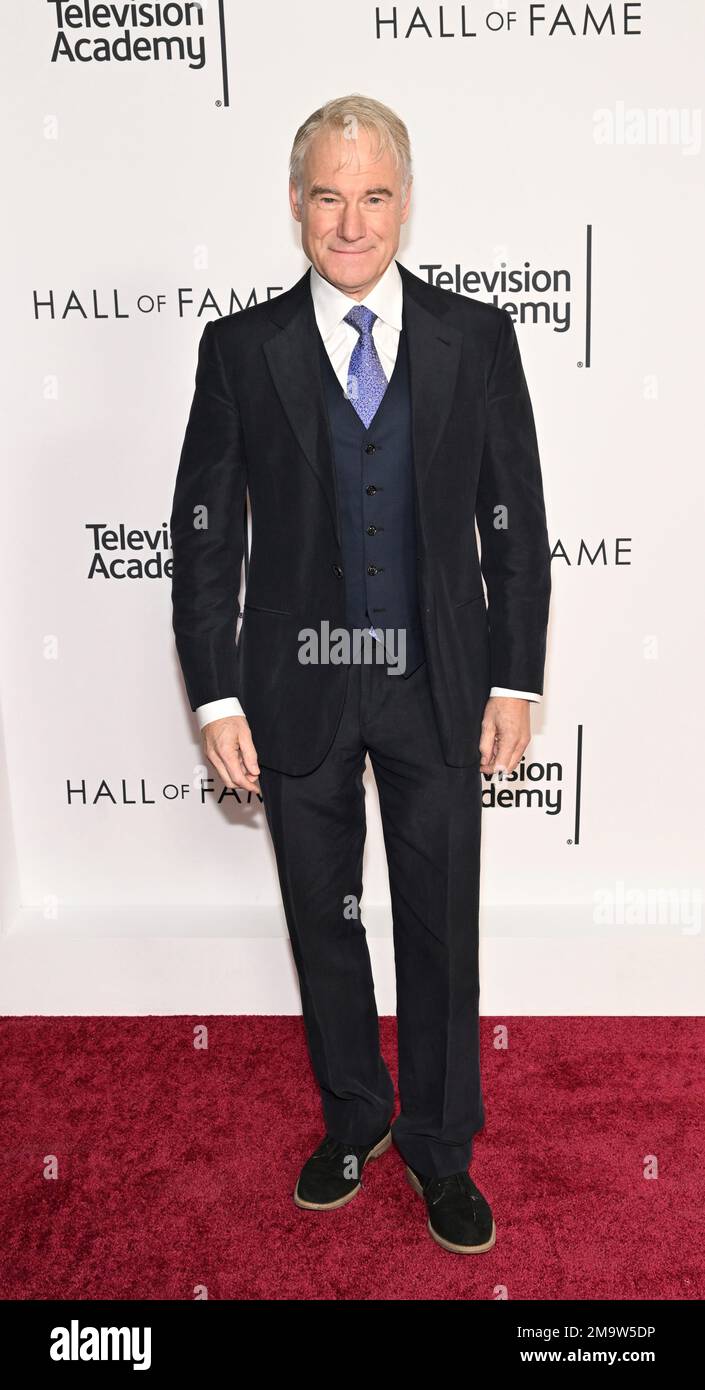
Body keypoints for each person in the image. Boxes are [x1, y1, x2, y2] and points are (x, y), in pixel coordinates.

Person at [169, 94, 551, 1255]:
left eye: (373, 194)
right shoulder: (241, 349)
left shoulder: (475, 338)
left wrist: (516, 678)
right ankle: (356, 1115)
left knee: (441, 920)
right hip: (296, 685)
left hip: (438, 677)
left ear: (404, 199)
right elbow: (202, 532)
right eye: (328, 195)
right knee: (322, 917)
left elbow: (517, 521)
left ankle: (442, 1149)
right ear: (296, 204)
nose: (351, 220)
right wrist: (218, 690)